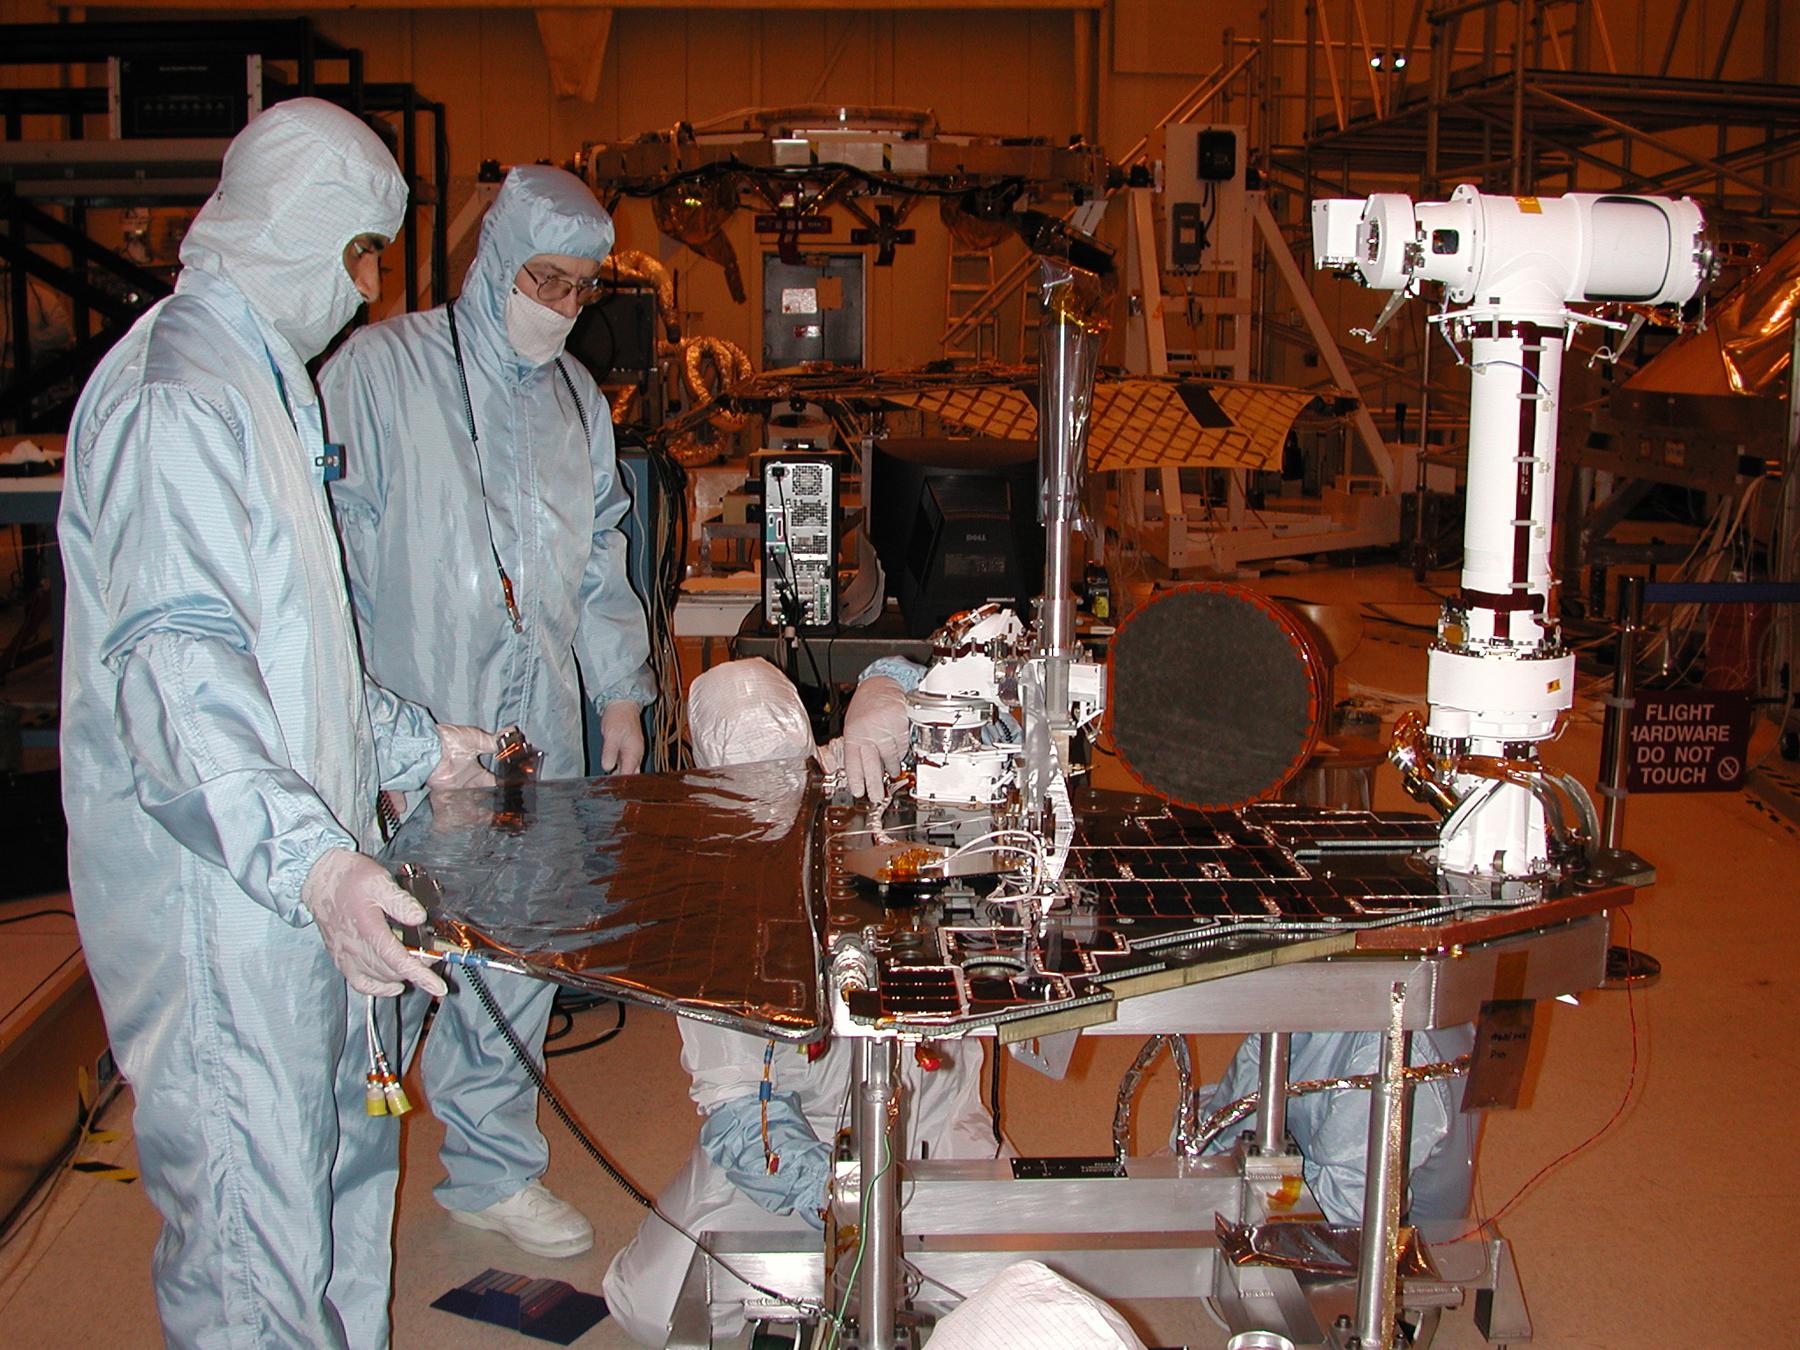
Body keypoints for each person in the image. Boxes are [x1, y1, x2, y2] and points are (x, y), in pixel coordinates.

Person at [58, 98, 492, 1348]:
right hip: (227, 902)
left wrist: (414, 742)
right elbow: (178, 674)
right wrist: (312, 862)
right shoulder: (176, 398)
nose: (366, 289)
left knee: (348, 1181)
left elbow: (297, 650)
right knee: (257, 1238)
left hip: (304, 878)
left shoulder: (262, 379)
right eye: (358, 252)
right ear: (294, 227)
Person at [320, 164, 654, 1260]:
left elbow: (603, 558)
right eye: (541, 279)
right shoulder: (381, 370)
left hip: (537, 725)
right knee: (388, 953)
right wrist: (362, 724)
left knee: (512, 956)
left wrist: (620, 693)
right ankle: (325, 1175)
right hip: (408, 721)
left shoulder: (572, 402)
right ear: (491, 262)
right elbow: (323, 559)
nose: (557, 307)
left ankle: (492, 1171)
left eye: (578, 291)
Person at [602, 657, 999, 1346]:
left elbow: (958, 688)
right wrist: (839, 1202)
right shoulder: (696, 895)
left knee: (992, 1301)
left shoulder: (869, 774)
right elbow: (734, 1110)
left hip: (928, 1125)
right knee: (651, 1304)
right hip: (791, 1150)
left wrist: (882, 691)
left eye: (787, 781)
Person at [1198, 1025, 1480, 1226]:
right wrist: (1199, 1165)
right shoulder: (1319, 997)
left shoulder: (1392, 1047)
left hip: (1386, 1240)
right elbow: (1236, 1108)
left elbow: (1349, 1215)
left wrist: (1221, 1198)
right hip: (1322, 1174)